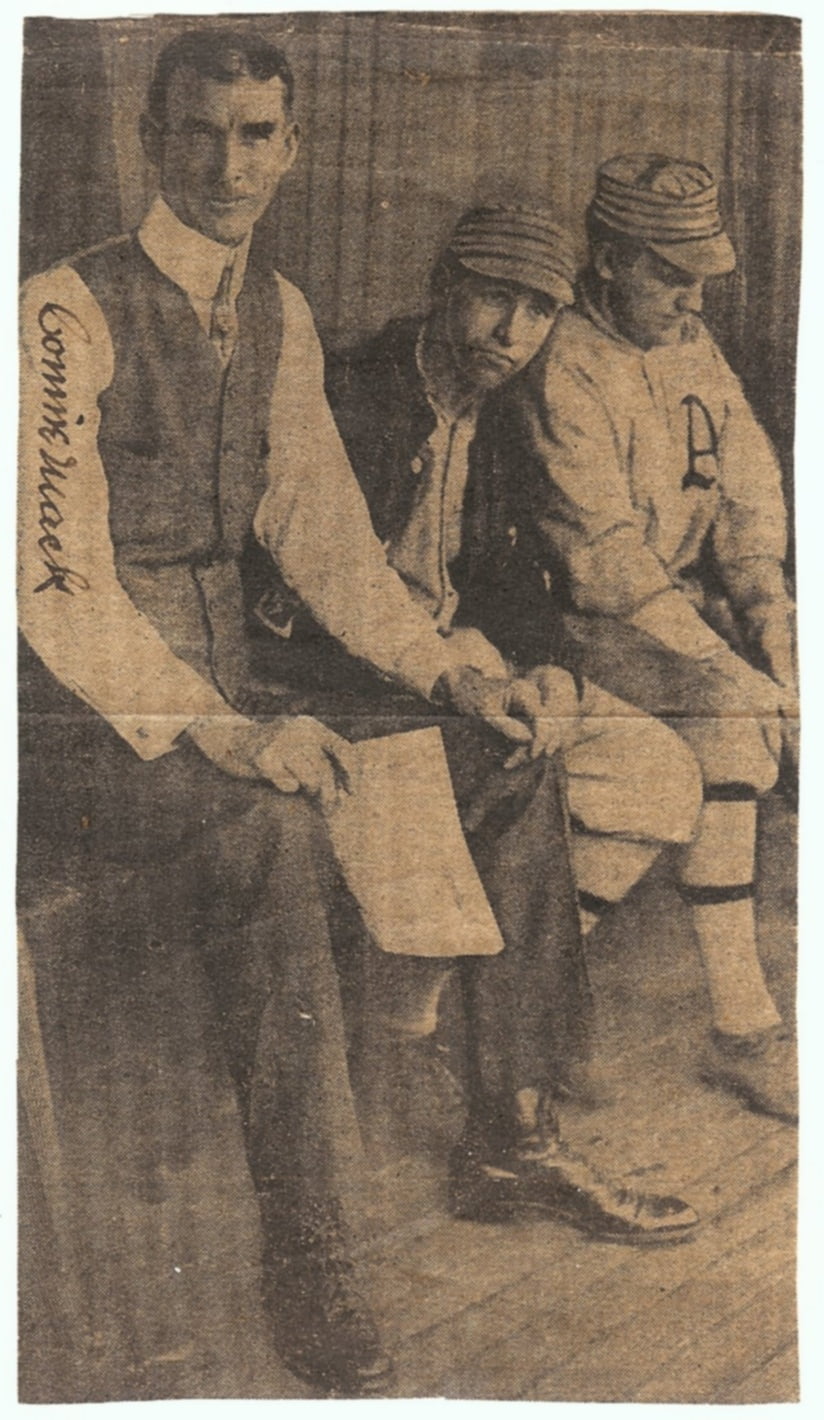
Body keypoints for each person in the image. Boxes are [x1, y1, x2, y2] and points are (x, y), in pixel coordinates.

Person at [17, 31, 697, 1392]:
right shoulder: (56, 313)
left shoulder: (276, 310)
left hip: (240, 698)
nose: (230, 164)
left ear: (292, 145)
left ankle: (513, 1127)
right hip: (83, 727)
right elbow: (54, 585)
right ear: (155, 138)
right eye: (203, 132)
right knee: (273, 831)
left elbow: (326, 542)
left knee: (500, 759)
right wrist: (226, 731)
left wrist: (461, 676)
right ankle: (313, 1267)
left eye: (259, 134)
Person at [324, 203, 713, 1093]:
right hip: (351, 674)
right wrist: (454, 674)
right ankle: (409, 1027)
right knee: (496, 760)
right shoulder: (354, 393)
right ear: (442, 291)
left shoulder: (499, 408)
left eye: (538, 312)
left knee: (658, 773)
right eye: (493, 299)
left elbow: (509, 574)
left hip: (458, 658)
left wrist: (546, 670)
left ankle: (495, 996)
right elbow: (311, 596)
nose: (512, 331)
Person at [504, 154, 798, 1124]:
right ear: (608, 262)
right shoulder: (563, 359)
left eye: (700, 274)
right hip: (563, 621)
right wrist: (730, 671)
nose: (691, 295)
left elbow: (746, 493)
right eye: (670, 273)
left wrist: (769, 620)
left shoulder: (688, 341)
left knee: (740, 722)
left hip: (667, 617)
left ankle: (561, 1007)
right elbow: (603, 565)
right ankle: (735, 1029)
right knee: (727, 727)